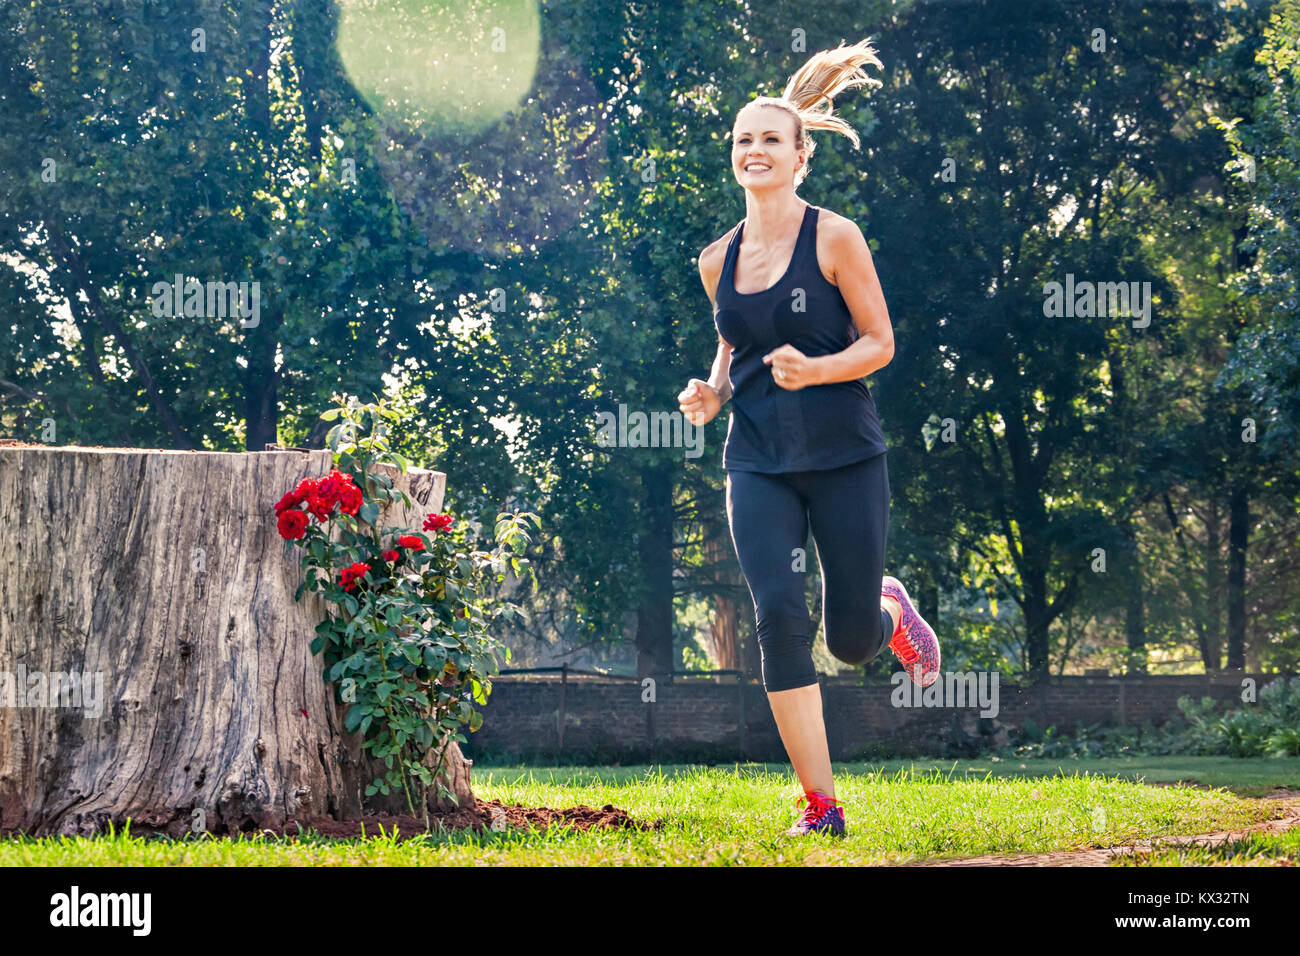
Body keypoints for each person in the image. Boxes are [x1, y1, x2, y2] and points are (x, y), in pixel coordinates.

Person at [677, 38, 940, 839]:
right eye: (742, 141)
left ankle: (888, 611)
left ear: (800, 157)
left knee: (852, 641)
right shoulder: (716, 259)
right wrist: (711, 392)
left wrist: (817, 371)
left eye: (769, 139)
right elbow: (734, 345)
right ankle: (821, 806)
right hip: (756, 460)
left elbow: (881, 342)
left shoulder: (835, 237)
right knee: (778, 615)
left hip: (845, 457)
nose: (754, 150)